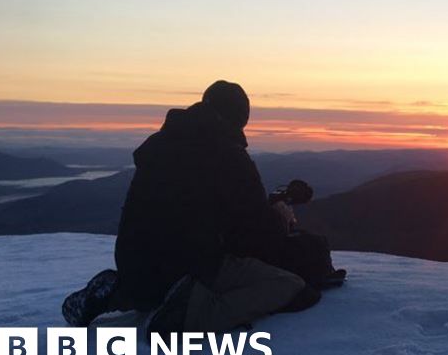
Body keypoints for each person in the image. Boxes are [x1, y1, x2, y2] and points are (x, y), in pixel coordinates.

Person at [63, 81, 332, 333]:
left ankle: (114, 293)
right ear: (239, 118)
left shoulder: (160, 146)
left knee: (161, 273)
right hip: (188, 268)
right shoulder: (229, 156)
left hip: (132, 263)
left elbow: (190, 208)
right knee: (293, 287)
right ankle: (187, 315)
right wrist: (279, 219)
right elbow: (255, 237)